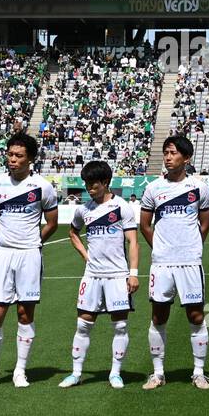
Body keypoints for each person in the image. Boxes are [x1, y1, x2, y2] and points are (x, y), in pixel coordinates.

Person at [0, 132, 59, 389]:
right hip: (3, 254)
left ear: (30, 159)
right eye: (10, 154)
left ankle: (20, 370)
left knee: (24, 313)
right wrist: (6, 239)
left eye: (18, 156)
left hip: (30, 254)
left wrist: (33, 241)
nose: (12, 160)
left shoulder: (42, 186)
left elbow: (52, 223)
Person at [139, 135, 209, 390]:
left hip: (190, 262)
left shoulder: (199, 188)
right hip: (162, 264)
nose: (168, 157)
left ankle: (199, 372)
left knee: (196, 315)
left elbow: (204, 224)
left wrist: (191, 248)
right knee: (159, 316)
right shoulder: (153, 188)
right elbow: (145, 225)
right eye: (165, 152)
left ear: (186, 158)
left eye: (173, 153)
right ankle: (158, 373)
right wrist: (160, 248)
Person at [59, 160, 138, 389]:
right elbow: (73, 233)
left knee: (120, 325)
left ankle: (115, 373)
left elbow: (132, 241)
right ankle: (76, 373)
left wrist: (133, 274)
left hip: (117, 275)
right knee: (83, 325)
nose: (89, 189)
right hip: (92, 275)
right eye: (86, 185)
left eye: (93, 185)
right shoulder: (83, 210)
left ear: (105, 182)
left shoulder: (121, 207)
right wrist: (86, 256)